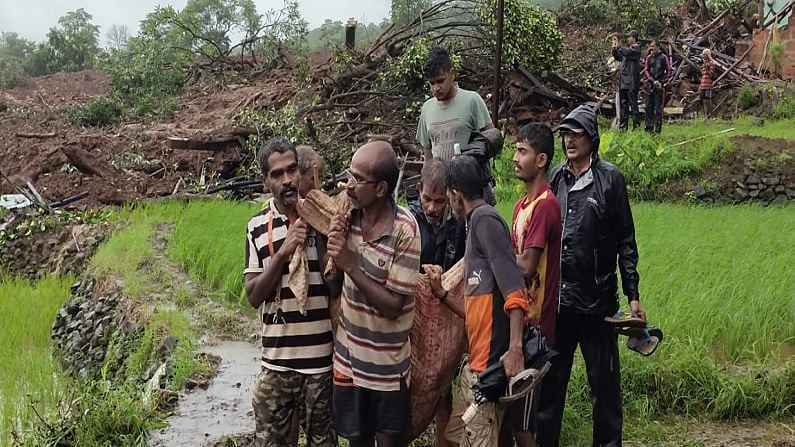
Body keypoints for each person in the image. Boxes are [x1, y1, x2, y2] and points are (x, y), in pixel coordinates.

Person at [536, 103, 644, 447]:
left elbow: (626, 240)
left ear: (591, 138)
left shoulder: (610, 180)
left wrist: (633, 295)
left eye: (577, 133)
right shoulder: (555, 177)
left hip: (598, 303)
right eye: (566, 134)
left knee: (605, 390)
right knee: (551, 387)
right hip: (559, 303)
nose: (570, 141)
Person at [326, 141, 421, 447]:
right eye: (348, 175)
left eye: (356, 179)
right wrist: (334, 258)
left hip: (387, 369)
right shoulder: (346, 216)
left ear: (381, 189)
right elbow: (333, 286)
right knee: (357, 440)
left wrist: (351, 264)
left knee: (389, 440)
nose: (347, 185)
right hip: (349, 360)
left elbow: (394, 306)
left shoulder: (405, 231)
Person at [244, 137, 335, 447]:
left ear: (300, 171)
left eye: (292, 170)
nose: (287, 180)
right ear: (266, 181)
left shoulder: (324, 217)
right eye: (277, 174)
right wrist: (283, 253)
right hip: (277, 364)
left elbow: (335, 285)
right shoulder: (257, 225)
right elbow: (254, 295)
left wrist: (322, 231)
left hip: (321, 364)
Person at [443, 154, 529, 447]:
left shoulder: (485, 220)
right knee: (459, 436)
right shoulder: (474, 223)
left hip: (489, 366)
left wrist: (515, 348)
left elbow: (514, 289)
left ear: (455, 193)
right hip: (477, 364)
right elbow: (480, 307)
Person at [501, 123, 562, 447]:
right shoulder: (520, 206)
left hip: (536, 327)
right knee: (514, 419)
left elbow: (524, 265)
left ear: (541, 159)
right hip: (520, 321)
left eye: (522, 151)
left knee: (525, 424)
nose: (515, 158)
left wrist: (494, 257)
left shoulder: (546, 205)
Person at [409, 158, 467, 447]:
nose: (432, 208)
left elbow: (464, 269)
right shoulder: (409, 221)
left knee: (445, 387)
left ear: (451, 197)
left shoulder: (459, 224)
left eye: (439, 201)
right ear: (418, 190)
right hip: (416, 317)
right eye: (427, 199)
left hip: (449, 316)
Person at [416, 47, 496, 205]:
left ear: (452, 74)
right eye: (432, 83)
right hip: (442, 193)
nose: (436, 88)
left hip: (473, 189)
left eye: (440, 81)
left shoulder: (472, 100)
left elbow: (491, 139)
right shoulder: (427, 109)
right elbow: (428, 154)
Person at [612, 31, 642, 131]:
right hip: (624, 82)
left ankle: (636, 127)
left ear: (634, 38)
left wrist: (619, 47)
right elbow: (618, 56)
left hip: (632, 82)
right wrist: (615, 48)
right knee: (623, 106)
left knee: (633, 105)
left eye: (629, 37)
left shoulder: (636, 48)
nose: (628, 39)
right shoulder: (627, 51)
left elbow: (626, 52)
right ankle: (623, 128)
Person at [643, 40, 670, 134]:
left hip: (659, 85)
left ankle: (657, 130)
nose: (652, 48)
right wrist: (651, 80)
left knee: (658, 109)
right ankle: (648, 129)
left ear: (658, 47)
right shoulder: (649, 58)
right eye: (651, 46)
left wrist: (662, 81)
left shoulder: (663, 57)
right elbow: (646, 70)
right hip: (650, 85)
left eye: (653, 46)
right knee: (648, 107)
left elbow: (668, 71)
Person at [700, 49, 715, 118]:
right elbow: (703, 73)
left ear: (707, 55)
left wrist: (707, 68)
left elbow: (711, 74)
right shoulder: (704, 63)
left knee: (708, 100)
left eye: (704, 55)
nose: (703, 56)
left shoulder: (711, 63)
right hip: (703, 84)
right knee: (703, 100)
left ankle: (710, 115)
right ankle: (705, 115)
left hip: (708, 84)